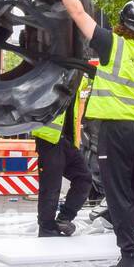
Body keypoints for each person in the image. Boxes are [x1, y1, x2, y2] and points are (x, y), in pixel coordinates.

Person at [56, 0, 134, 267]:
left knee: (118, 194)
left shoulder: (111, 45)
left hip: (115, 131)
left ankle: (130, 257)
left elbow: (79, 13)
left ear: (121, 23)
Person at [30, 77, 91, 237]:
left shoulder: (77, 76)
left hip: (68, 140)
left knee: (84, 179)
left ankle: (64, 219)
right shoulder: (53, 73)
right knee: (51, 187)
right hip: (49, 138)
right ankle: (47, 228)